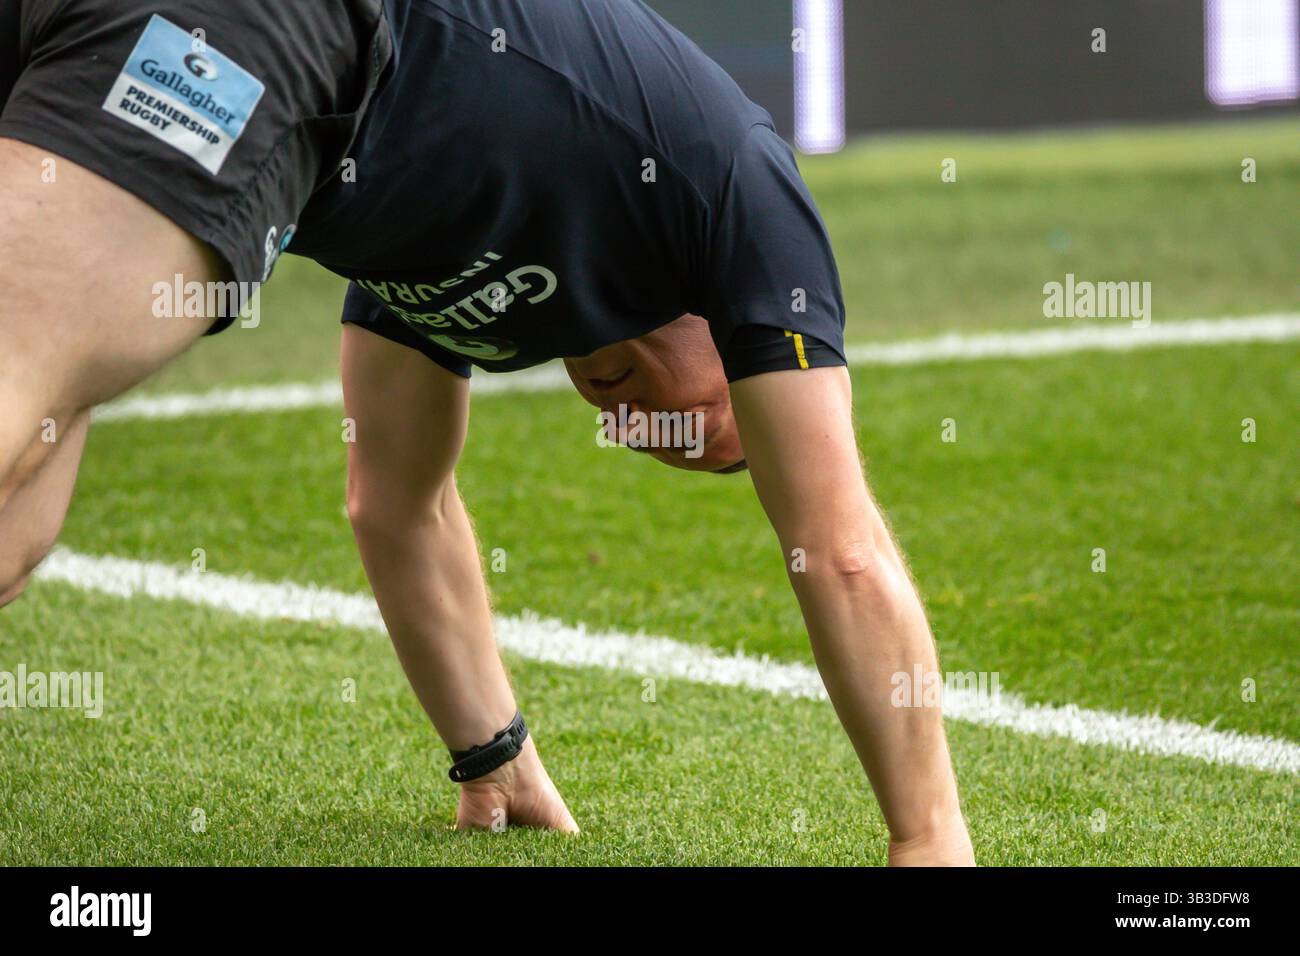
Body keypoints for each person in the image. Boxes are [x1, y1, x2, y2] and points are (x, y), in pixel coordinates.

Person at [0, 0, 974, 865]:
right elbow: (841, 553)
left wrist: (494, 754)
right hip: (265, 27)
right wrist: (929, 835)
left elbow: (396, 502)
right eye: (714, 426)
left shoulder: (473, 262)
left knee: (18, 523)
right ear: (743, 335)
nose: (649, 433)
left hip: (196, 58)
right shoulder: (738, 188)